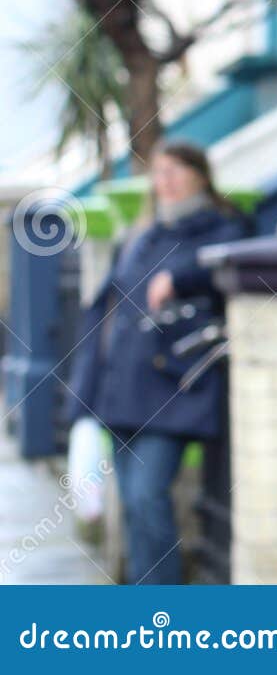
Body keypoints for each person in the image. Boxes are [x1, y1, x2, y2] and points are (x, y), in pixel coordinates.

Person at [67, 139, 251, 584]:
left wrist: (179, 277)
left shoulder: (224, 227)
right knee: (132, 503)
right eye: (159, 172)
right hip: (122, 393)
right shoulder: (140, 235)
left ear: (200, 175)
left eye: (175, 171)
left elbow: (236, 264)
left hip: (176, 392)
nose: (164, 181)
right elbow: (104, 318)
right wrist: (83, 403)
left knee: (148, 498)